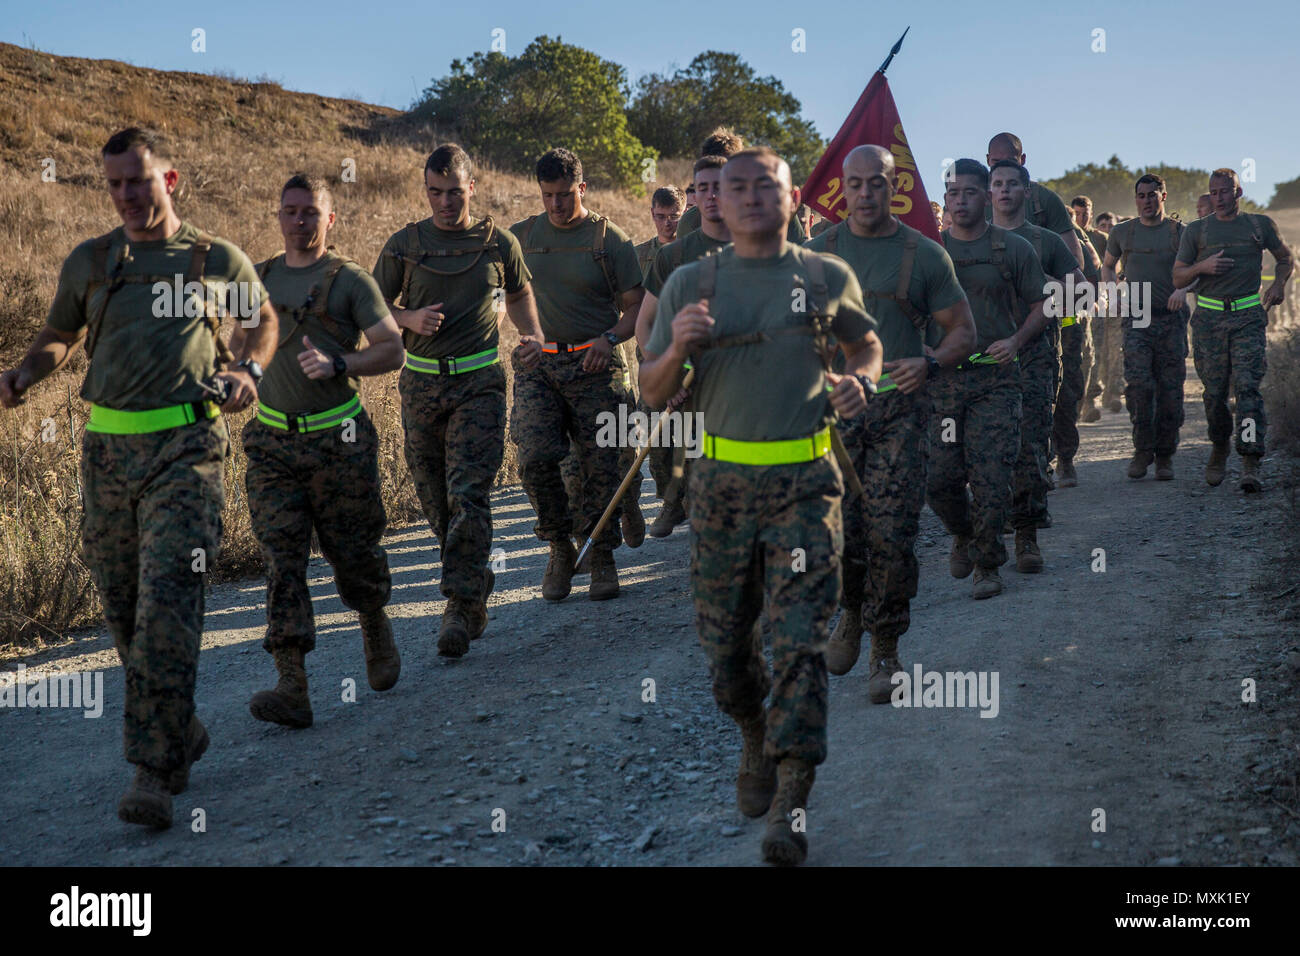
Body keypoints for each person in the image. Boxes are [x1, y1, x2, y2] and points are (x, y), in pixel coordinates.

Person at [0, 127, 278, 829]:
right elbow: (59, 335)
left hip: (187, 445)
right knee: (123, 608)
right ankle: (178, 726)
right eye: (114, 183)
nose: (126, 194)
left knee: (166, 602)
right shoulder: (92, 262)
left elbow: (262, 319)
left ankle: (153, 770)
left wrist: (248, 369)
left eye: (139, 180)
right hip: (106, 454)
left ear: (170, 180)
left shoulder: (215, 258)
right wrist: (25, 373)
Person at [641, 147, 881, 866]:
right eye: (734, 187)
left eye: (763, 187)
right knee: (726, 656)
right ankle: (753, 734)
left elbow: (866, 344)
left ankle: (791, 800)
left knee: (799, 646)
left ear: (789, 197)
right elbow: (651, 394)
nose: (747, 198)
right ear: (715, 197)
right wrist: (675, 351)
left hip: (807, 487)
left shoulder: (821, 275)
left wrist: (860, 381)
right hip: (718, 492)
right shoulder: (692, 281)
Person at [805, 145, 975, 703]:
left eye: (875, 183)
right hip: (835, 417)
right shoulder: (814, 255)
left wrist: (928, 362)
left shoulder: (924, 255)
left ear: (893, 184)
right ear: (843, 188)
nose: (863, 195)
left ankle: (886, 647)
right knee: (840, 533)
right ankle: (851, 612)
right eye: (853, 185)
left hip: (901, 412)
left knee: (892, 531)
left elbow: (962, 333)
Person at [245, 174, 404, 724]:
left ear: (329, 219)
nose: (299, 221)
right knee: (281, 555)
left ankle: (373, 621)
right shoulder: (257, 279)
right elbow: (239, 348)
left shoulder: (350, 281)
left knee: (353, 552)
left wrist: (342, 364)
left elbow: (392, 349)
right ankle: (292, 681)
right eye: (290, 211)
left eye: (311, 212)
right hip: (270, 442)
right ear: (279, 215)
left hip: (339, 439)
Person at [373, 145, 544, 656]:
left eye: (453, 191)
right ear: (426, 190)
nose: (445, 202)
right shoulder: (405, 245)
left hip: (479, 385)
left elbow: (518, 294)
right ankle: (474, 579)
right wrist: (407, 319)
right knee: (436, 501)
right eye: (434, 191)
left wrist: (531, 335)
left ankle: (459, 606)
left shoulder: (499, 244)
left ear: (472, 186)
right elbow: (370, 304)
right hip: (420, 386)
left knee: (468, 493)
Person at [509, 148, 643, 599]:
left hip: (594, 362)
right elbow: (500, 294)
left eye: (564, 195)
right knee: (533, 456)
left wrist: (609, 338)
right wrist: (525, 334)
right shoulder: (522, 237)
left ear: (581, 189)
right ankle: (559, 545)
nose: (555, 205)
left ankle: (601, 555)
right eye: (547, 195)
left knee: (600, 463)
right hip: (540, 364)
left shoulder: (610, 240)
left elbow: (636, 307)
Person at [931, 159, 1049, 599]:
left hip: (995, 380)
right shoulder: (930, 250)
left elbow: (1043, 304)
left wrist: (1017, 341)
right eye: (952, 194)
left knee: (991, 475)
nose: (960, 201)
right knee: (939, 479)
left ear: (985, 196)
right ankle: (962, 532)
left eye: (969, 193)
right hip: (941, 383)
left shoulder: (1012, 248)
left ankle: (987, 564)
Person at [1173, 168, 1293, 492]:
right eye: (1213, 192)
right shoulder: (1197, 231)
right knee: (1214, 395)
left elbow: (1285, 257)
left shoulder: (1258, 225)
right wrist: (1203, 267)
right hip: (1209, 321)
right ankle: (1220, 445)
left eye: (1225, 191)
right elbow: (1179, 277)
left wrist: (1280, 283)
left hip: (1247, 318)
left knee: (1248, 390)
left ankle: (1250, 460)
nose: (1219, 198)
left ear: (1238, 193)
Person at [989, 159, 1083, 567]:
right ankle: (985, 534)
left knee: (1029, 444)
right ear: (988, 191)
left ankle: (1026, 534)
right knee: (986, 448)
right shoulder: (969, 240)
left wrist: (1042, 290)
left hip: (1035, 354)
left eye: (1013, 184)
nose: (1005, 190)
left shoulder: (1045, 240)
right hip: (983, 358)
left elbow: (1080, 289)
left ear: (1028, 193)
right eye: (998, 183)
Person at [634, 155, 732, 537]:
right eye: (703, 188)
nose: (711, 197)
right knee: (660, 442)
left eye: (720, 187)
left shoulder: (764, 248)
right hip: (679, 371)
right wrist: (664, 370)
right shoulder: (671, 255)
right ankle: (673, 500)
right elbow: (644, 321)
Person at [1102, 174, 1195, 480]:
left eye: (1152, 195)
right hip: (1137, 316)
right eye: (1141, 196)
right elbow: (1107, 266)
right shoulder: (1122, 232)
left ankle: (1165, 455)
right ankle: (1143, 451)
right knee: (1140, 386)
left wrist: (1184, 289)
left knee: (1169, 389)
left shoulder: (1180, 232)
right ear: (1135, 199)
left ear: (1163, 197)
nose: (1146, 201)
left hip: (1171, 318)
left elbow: (1195, 271)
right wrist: (1112, 290)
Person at [676, 128, 807, 242]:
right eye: (710, 168)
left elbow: (799, 256)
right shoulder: (690, 222)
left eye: (724, 168)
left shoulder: (773, 210)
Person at [985, 133, 1086, 269]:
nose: (1004, 168)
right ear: (988, 160)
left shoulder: (1045, 200)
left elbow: (1075, 262)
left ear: (1023, 159)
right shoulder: (973, 199)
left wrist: (1034, 276)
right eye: (996, 162)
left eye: (1011, 161)